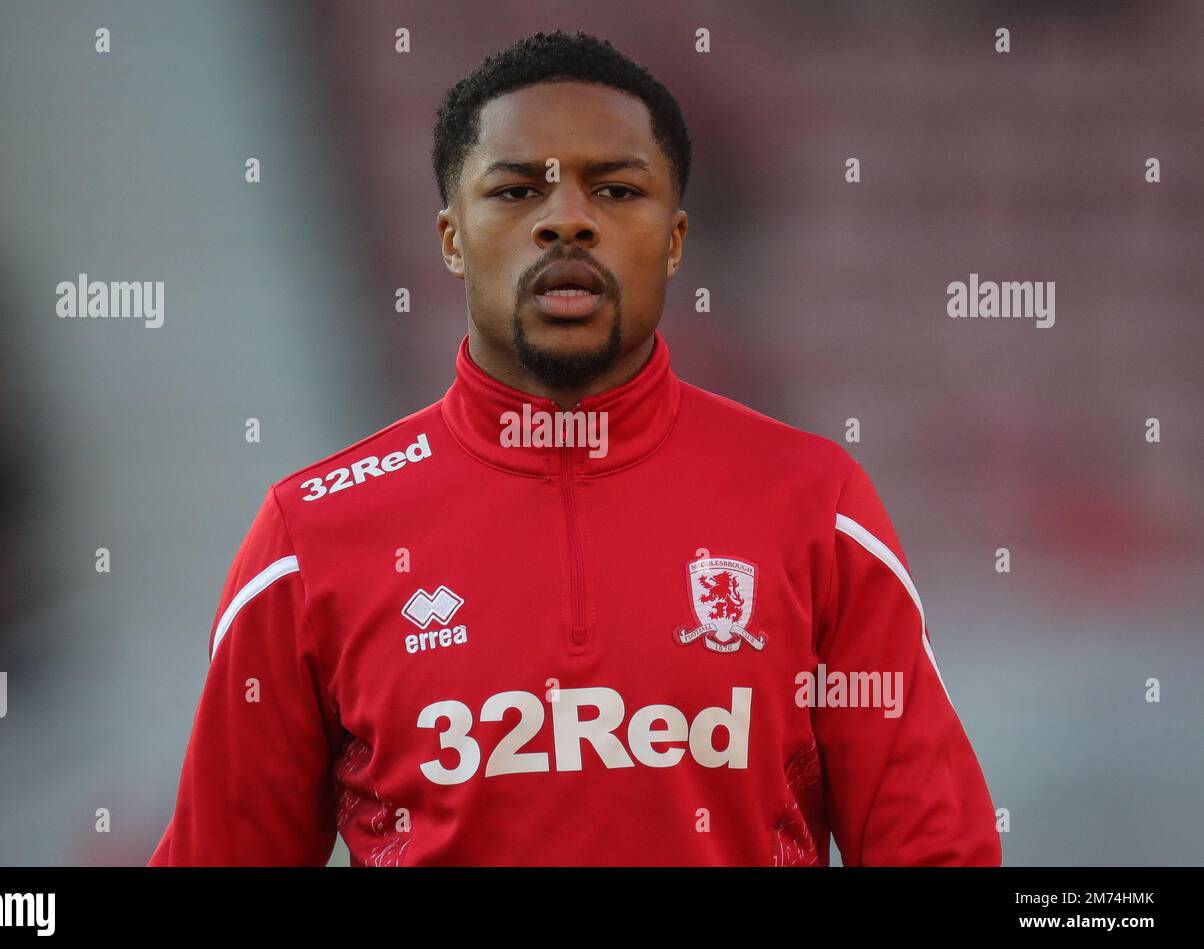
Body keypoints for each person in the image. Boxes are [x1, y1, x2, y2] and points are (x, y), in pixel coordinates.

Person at [150, 30, 1000, 866]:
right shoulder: (311, 537)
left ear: (673, 240)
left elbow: (935, 852)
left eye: (617, 191)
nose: (567, 222)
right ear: (452, 238)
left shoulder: (815, 505)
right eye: (518, 192)